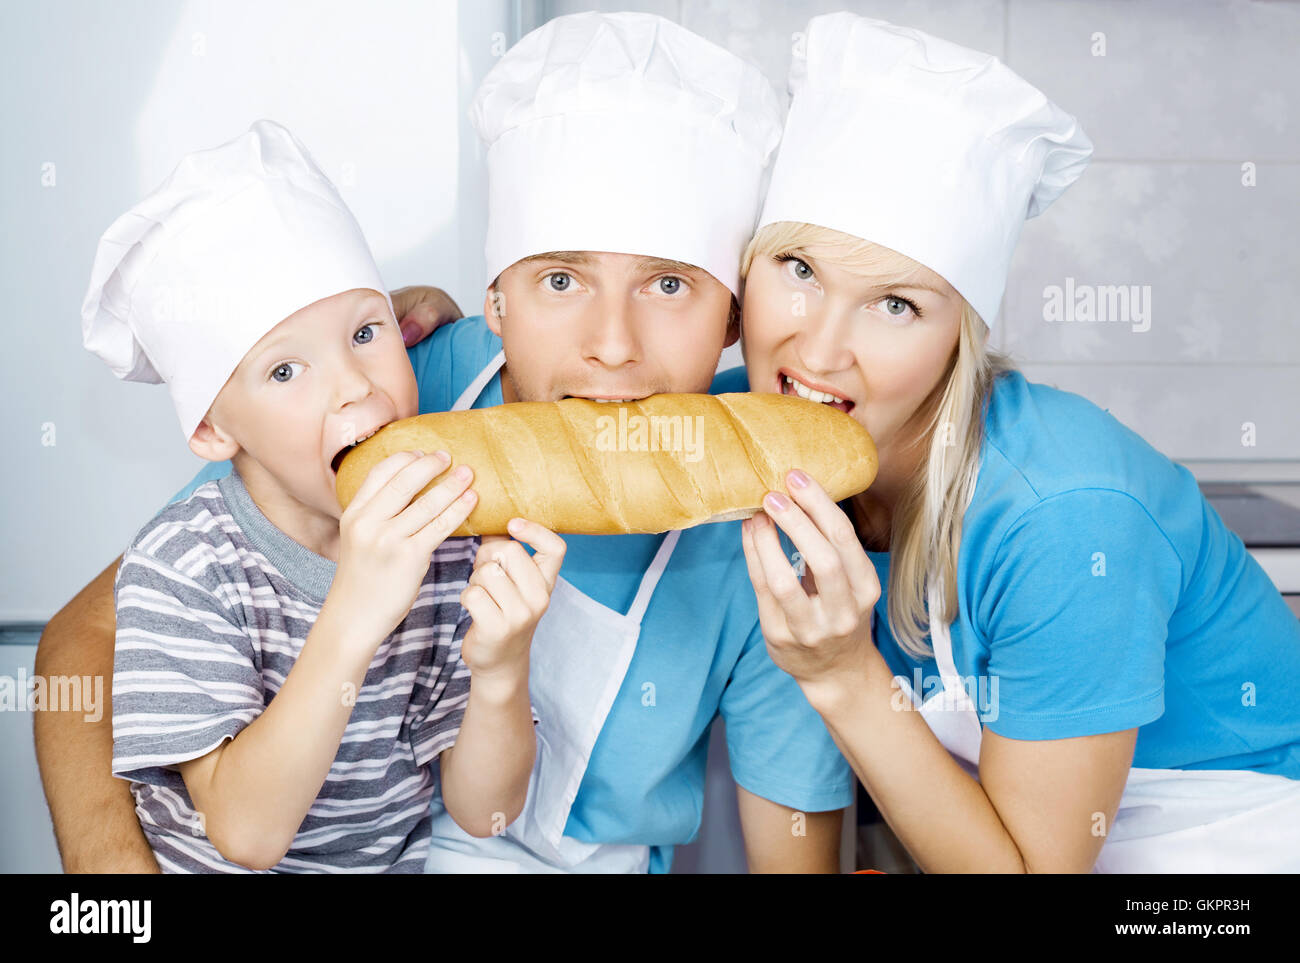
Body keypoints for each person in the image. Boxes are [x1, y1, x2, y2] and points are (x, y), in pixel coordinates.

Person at [37, 13, 854, 875]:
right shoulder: (391, 404)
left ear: (731, 317)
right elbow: (88, 637)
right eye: (561, 279)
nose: (613, 345)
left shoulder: (780, 512)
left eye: (668, 283)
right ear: (495, 299)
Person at [730, 13, 1300, 872]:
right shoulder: (754, 426)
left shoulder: (1065, 521)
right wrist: (445, 337)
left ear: (961, 333)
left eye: (896, 305)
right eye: (799, 269)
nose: (816, 351)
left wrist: (843, 673)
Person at [78, 120, 556, 871]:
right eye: (284, 371)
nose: (354, 384)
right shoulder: (182, 568)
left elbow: (484, 810)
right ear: (210, 428)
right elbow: (247, 834)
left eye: (366, 332)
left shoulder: (443, 542)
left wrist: (501, 668)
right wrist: (355, 611)